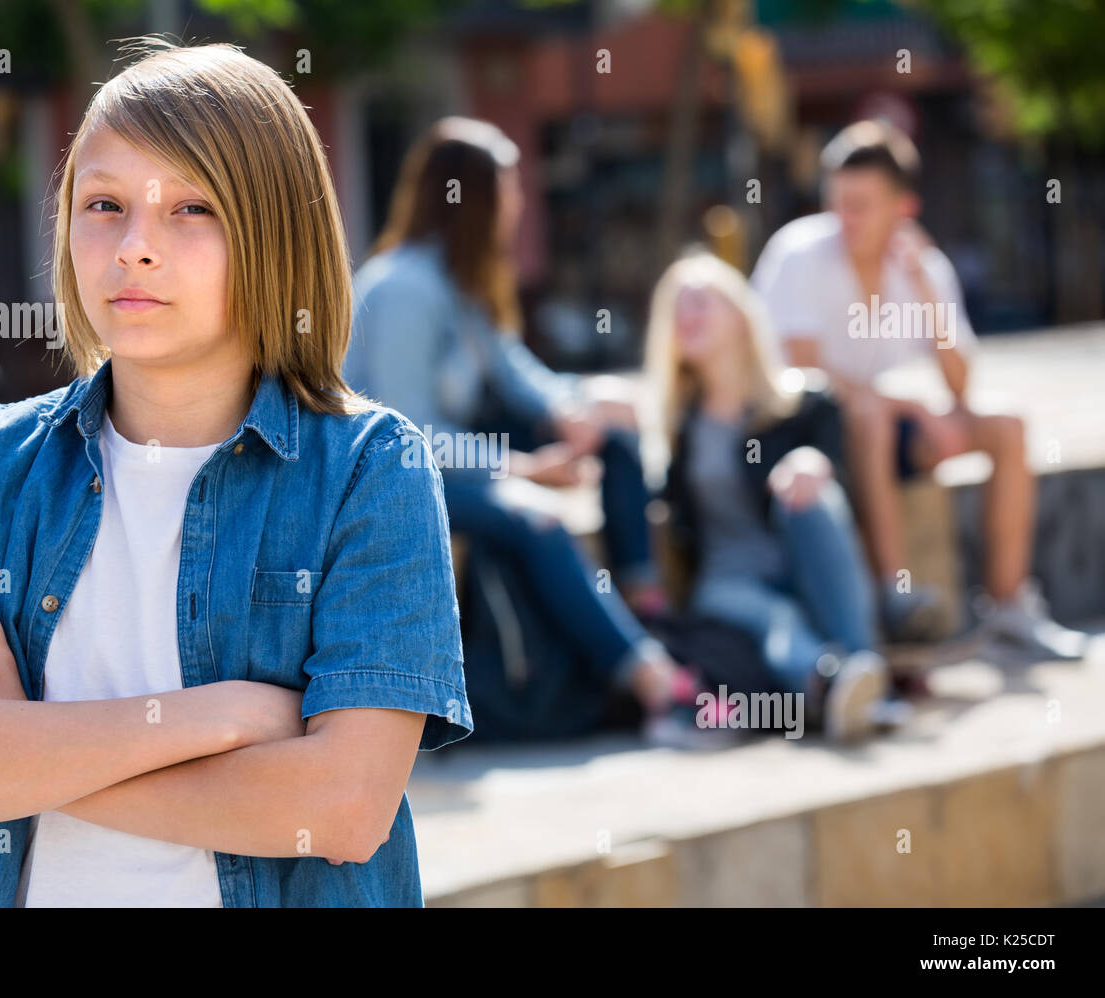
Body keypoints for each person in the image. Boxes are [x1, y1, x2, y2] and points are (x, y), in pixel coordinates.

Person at [0, 38, 473, 908]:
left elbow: (343, 807)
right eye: (104, 203)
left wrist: (21, 749)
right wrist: (222, 717)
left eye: (191, 208)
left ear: (274, 232)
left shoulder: (370, 469)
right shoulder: (0, 461)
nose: (134, 248)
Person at [343, 117, 718, 741]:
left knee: (616, 439)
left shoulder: (461, 282)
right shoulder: (406, 288)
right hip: (387, 482)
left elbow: (515, 370)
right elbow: (408, 438)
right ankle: (654, 684)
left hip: (448, 463)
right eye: (509, 189)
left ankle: (645, 602)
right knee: (536, 519)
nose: (519, 204)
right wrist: (522, 469)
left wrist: (574, 407)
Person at [751, 119, 1086, 658]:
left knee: (1007, 426)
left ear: (902, 207)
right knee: (869, 413)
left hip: (888, 432)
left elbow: (960, 384)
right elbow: (803, 377)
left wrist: (928, 295)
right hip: (807, 436)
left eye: (861, 204)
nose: (845, 217)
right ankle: (895, 595)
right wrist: (909, 403)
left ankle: (1007, 606)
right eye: (838, 201)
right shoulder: (799, 253)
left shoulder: (924, 266)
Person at [645, 251, 906, 742]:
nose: (687, 317)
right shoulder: (680, 429)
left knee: (809, 494)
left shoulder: (806, 404)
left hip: (804, 565)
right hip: (728, 584)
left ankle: (866, 676)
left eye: (700, 302)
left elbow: (842, 482)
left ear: (741, 315)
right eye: (676, 311)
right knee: (778, 618)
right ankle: (837, 687)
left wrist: (813, 463)